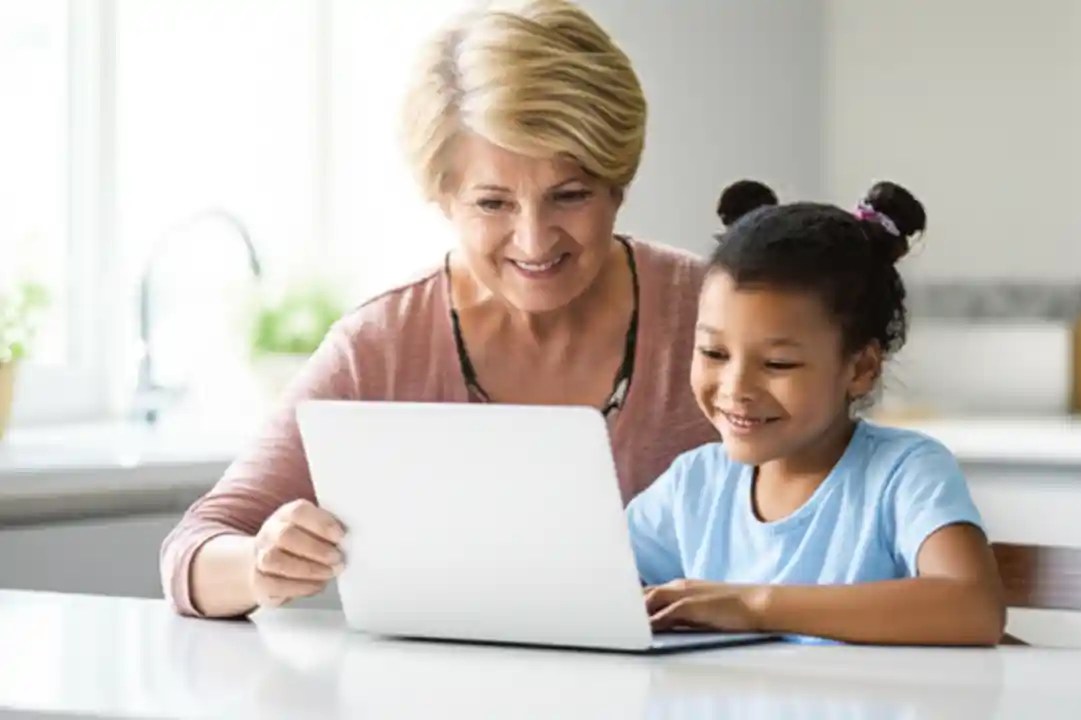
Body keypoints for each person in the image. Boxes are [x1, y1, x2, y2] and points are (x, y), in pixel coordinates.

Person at [161, 0, 717, 619]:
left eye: (570, 196)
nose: (534, 240)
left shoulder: (712, 315)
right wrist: (262, 564)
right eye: (492, 203)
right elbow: (192, 553)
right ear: (443, 196)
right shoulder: (383, 347)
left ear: (619, 184)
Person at [626, 182, 1007, 646]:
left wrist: (754, 606)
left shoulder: (904, 473)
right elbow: (583, 581)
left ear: (861, 368)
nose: (736, 389)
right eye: (713, 352)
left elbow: (973, 608)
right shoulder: (693, 484)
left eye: (778, 364)